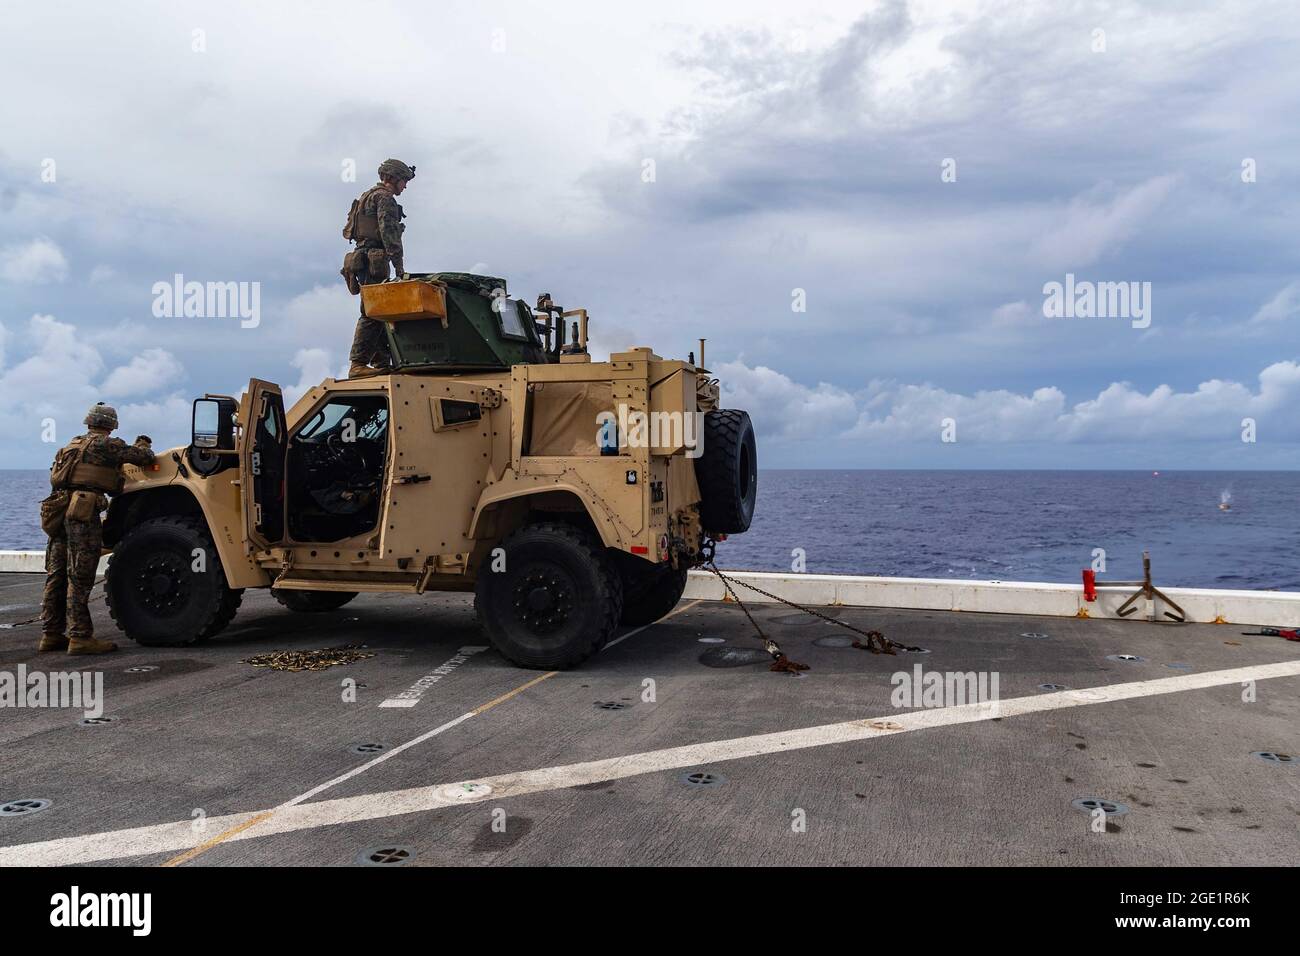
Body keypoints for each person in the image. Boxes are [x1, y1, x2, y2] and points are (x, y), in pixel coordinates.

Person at [39, 403, 155, 655]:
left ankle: (51, 634)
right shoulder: (106, 444)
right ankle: (80, 637)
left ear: (88, 422)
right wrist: (143, 443)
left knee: (56, 575)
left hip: (58, 513)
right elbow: (143, 458)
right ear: (111, 425)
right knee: (79, 577)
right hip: (81, 513)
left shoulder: (70, 446)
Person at [342, 158, 416, 377]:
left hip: (362, 259)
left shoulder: (367, 196)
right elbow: (389, 234)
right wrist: (399, 267)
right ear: (392, 179)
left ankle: (381, 362)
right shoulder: (385, 199)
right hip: (374, 260)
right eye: (403, 181)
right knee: (372, 312)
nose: (405, 186)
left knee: (379, 311)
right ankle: (358, 363)